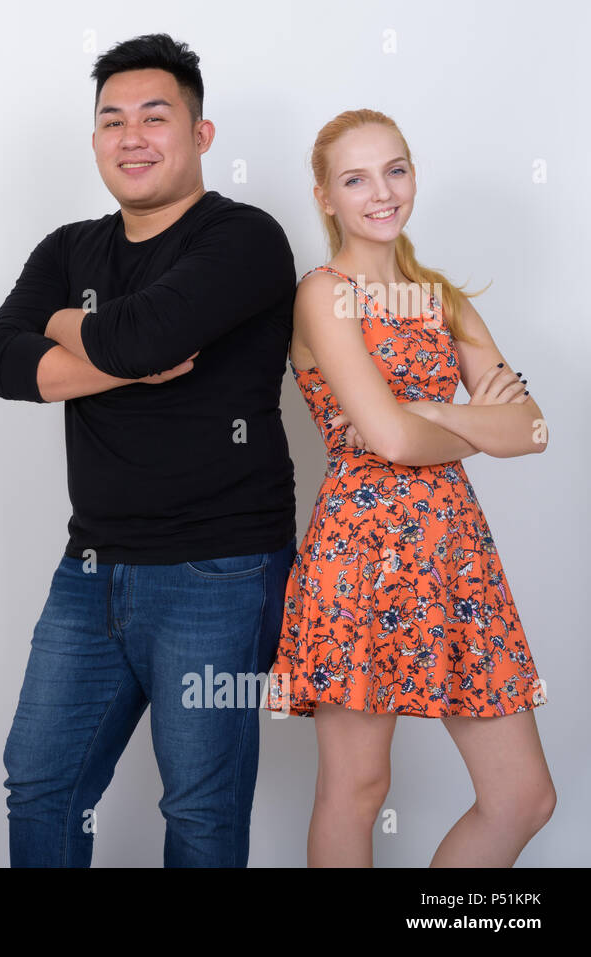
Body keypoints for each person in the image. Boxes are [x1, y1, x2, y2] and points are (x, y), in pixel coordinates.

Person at [0, 33, 298, 867]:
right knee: (39, 782)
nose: (132, 137)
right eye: (112, 121)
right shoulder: (69, 248)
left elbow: (146, 333)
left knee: (199, 808)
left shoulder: (247, 238)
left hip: (218, 570)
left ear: (201, 133)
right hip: (88, 570)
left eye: (155, 117)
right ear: (93, 142)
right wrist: (123, 363)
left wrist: (64, 330)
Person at [266, 108, 555, 866]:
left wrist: (426, 410)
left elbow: (531, 430)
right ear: (326, 197)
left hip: (458, 557)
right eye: (355, 178)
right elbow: (387, 441)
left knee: (524, 797)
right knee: (358, 787)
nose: (381, 192)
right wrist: (464, 421)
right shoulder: (324, 294)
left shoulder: (445, 300)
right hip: (360, 553)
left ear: (414, 176)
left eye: (395, 170)